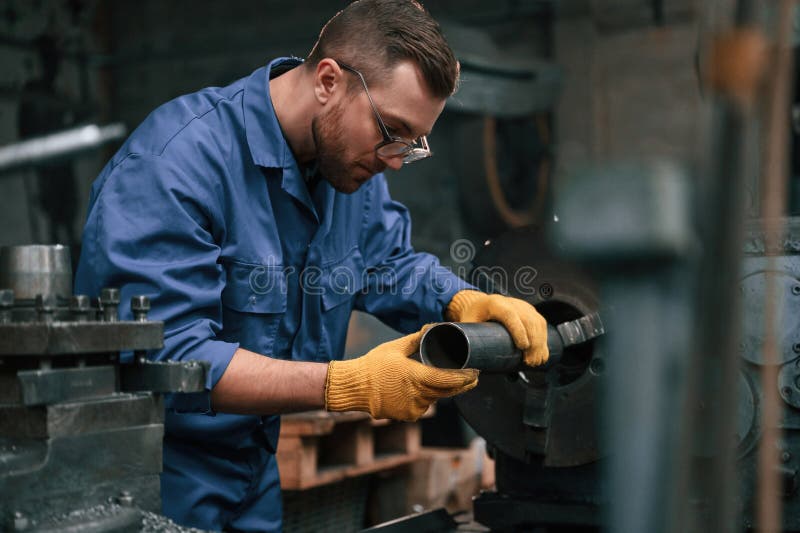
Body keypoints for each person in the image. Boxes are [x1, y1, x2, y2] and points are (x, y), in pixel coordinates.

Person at [75, 1, 549, 531]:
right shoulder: (174, 167)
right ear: (328, 80)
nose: (394, 158)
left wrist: (462, 300)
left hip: (253, 475)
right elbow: (173, 357)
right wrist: (348, 383)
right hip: (149, 482)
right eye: (391, 130)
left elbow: (387, 262)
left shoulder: (346, 169)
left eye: (411, 144)